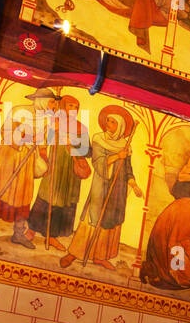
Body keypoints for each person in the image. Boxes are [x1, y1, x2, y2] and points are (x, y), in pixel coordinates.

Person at [61, 105, 143, 271]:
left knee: (110, 220)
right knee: (93, 217)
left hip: (117, 190)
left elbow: (127, 169)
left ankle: (100, 256)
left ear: (119, 126)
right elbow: (98, 163)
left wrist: (134, 185)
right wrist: (116, 156)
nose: (108, 124)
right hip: (101, 185)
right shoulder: (99, 139)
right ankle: (74, 253)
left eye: (112, 122)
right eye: (107, 121)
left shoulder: (125, 146)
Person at [0, 93, 51, 247]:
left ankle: (18, 233)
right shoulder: (19, 111)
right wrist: (26, 137)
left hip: (27, 160)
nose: (52, 106)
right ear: (41, 100)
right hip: (8, 157)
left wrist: (45, 159)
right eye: (50, 102)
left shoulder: (46, 120)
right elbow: (6, 133)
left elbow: (43, 144)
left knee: (23, 194)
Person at [27, 93, 87, 249]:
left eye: (76, 107)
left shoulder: (81, 128)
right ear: (63, 107)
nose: (74, 110)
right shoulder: (54, 123)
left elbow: (87, 151)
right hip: (55, 166)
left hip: (70, 172)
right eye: (70, 106)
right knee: (45, 197)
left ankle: (52, 237)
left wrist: (73, 143)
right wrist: (43, 156)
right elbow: (43, 141)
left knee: (63, 202)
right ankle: (31, 230)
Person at [140, 193, 190, 289]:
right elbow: (175, 245)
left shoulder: (188, 204)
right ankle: (163, 274)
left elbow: (184, 240)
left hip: (160, 242)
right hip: (165, 245)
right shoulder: (189, 213)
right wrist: (179, 271)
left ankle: (155, 271)